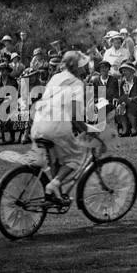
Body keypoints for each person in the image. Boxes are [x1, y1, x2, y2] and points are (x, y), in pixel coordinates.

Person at [31, 51, 90, 201]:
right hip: (56, 125)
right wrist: (90, 131)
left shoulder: (55, 77)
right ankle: (53, 185)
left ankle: (55, 194)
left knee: (55, 159)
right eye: (82, 66)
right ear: (76, 67)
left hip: (38, 123)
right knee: (76, 158)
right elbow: (76, 117)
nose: (85, 68)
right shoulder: (77, 83)